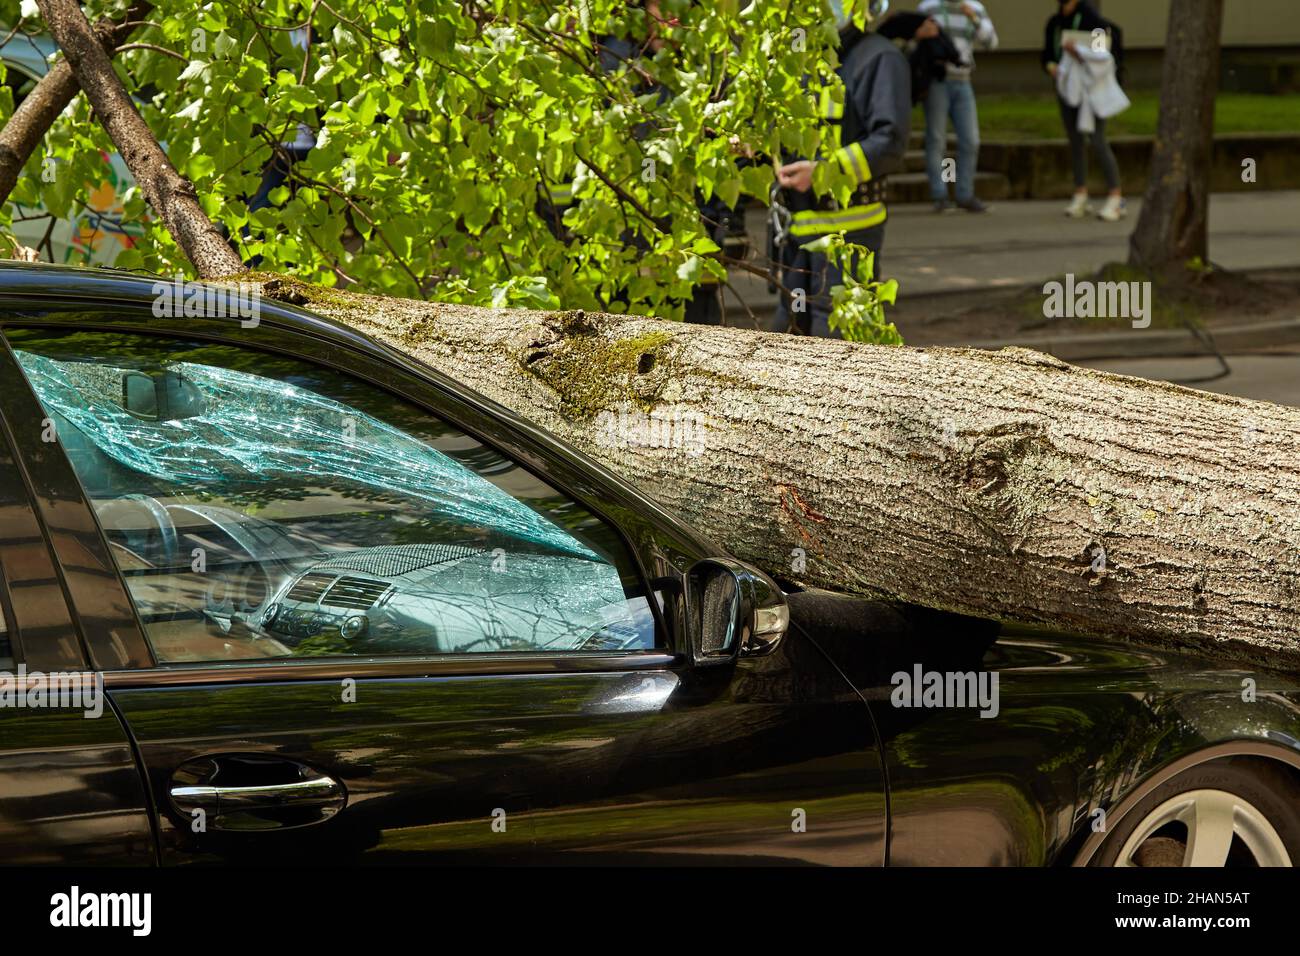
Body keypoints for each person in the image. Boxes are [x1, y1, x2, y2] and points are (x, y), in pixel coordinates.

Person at [772, 0, 911, 338]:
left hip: (849, 234)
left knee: (840, 346)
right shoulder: (803, 55)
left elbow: (890, 142)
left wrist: (822, 173)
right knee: (788, 339)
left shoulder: (881, 58)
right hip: (797, 233)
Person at [1042, 0, 1126, 221]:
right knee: (1075, 140)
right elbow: (1048, 55)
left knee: (1097, 139)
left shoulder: (1095, 23)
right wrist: (1052, 67)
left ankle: (1116, 196)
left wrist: (1077, 51)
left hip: (1092, 92)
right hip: (1067, 88)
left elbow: (1102, 59)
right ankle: (1081, 192)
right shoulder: (1055, 23)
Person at [916, 1, 997, 213]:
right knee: (937, 139)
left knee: (970, 140)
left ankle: (964, 194)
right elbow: (913, 43)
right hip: (937, 81)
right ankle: (940, 195)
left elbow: (991, 42)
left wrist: (975, 19)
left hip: (963, 80)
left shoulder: (974, 8)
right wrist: (920, 35)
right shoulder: (929, 7)